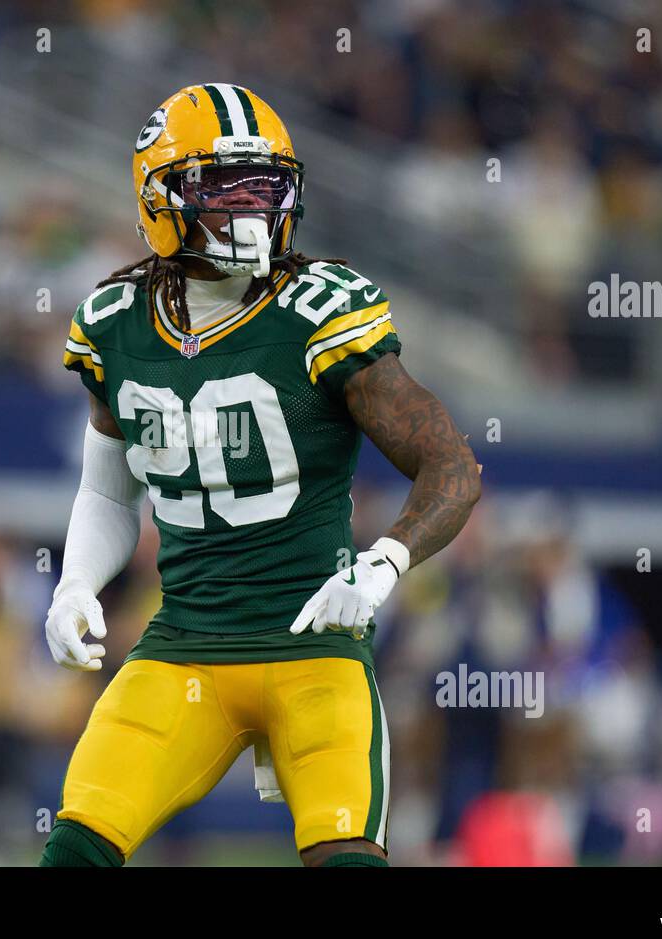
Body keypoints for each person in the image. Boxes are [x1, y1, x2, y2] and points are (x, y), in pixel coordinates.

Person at [40, 84, 481, 867]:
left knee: (346, 861)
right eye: (227, 190)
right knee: (73, 852)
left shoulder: (319, 310)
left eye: (268, 188)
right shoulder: (113, 322)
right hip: (183, 649)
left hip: (314, 648)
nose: (253, 210)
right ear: (161, 197)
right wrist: (76, 583)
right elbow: (108, 489)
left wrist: (382, 565)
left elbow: (451, 465)